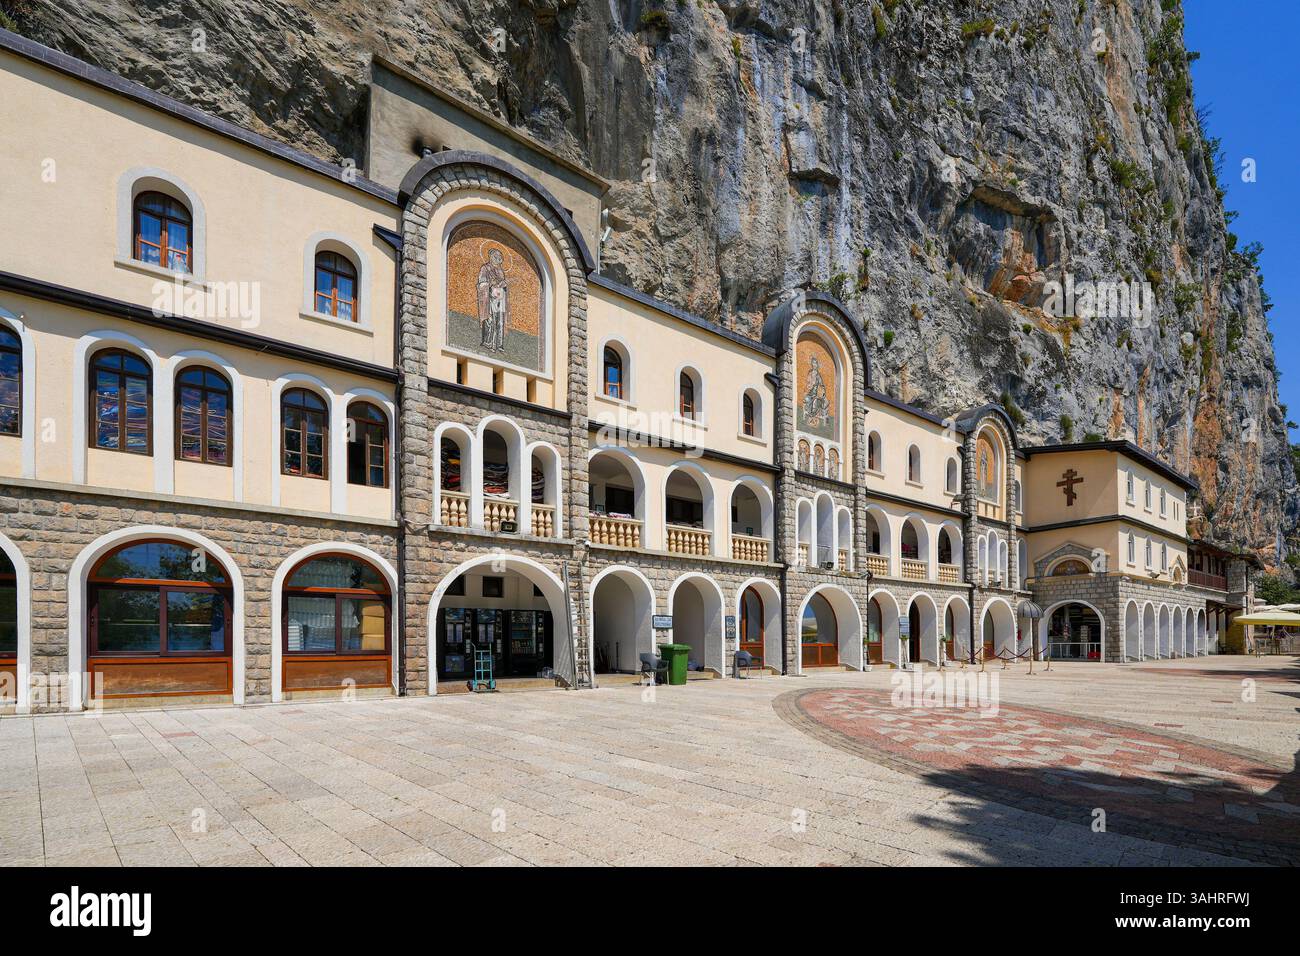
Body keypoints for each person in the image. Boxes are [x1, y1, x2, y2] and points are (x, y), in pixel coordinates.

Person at [476, 248, 509, 352]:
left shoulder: (500, 271)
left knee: (500, 321)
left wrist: (503, 284)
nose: (499, 259)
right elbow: (481, 282)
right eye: (497, 256)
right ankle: (489, 343)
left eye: (500, 257)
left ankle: (499, 344)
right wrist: (490, 284)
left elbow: (503, 284)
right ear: (491, 257)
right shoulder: (485, 268)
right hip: (489, 296)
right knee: (491, 319)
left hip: (500, 296)